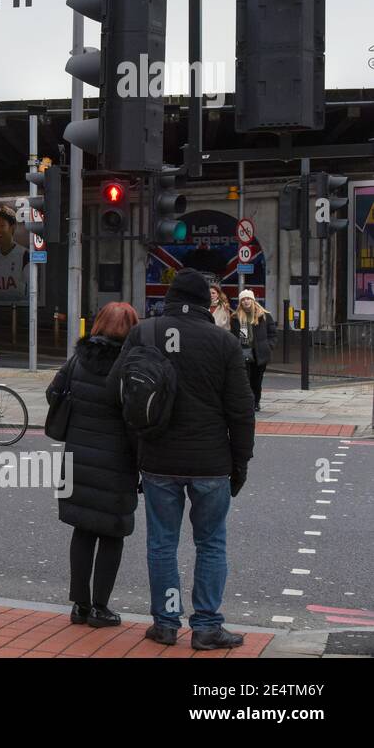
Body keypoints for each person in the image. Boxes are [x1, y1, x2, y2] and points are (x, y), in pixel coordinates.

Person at [106, 268, 255, 651]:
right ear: (207, 304)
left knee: (162, 545)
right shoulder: (223, 343)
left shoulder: (145, 332)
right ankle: (206, 626)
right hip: (211, 462)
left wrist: (134, 446)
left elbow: (115, 390)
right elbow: (241, 412)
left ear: (169, 299)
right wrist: (240, 465)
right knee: (210, 544)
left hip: (157, 459)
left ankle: (167, 623)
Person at [48, 302, 140, 629]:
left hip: (78, 457)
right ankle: (101, 607)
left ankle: (80, 606)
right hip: (117, 461)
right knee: (112, 534)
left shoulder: (78, 360)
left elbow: (52, 393)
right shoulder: (131, 363)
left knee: (83, 530)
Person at [235, 289, 277, 412]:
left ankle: (256, 402)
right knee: (245, 380)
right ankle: (248, 402)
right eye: (243, 299)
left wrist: (269, 346)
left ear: (253, 300)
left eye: (248, 299)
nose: (246, 301)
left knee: (256, 380)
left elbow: (273, 334)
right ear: (240, 302)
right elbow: (233, 336)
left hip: (260, 353)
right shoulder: (236, 317)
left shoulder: (264, 315)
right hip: (244, 352)